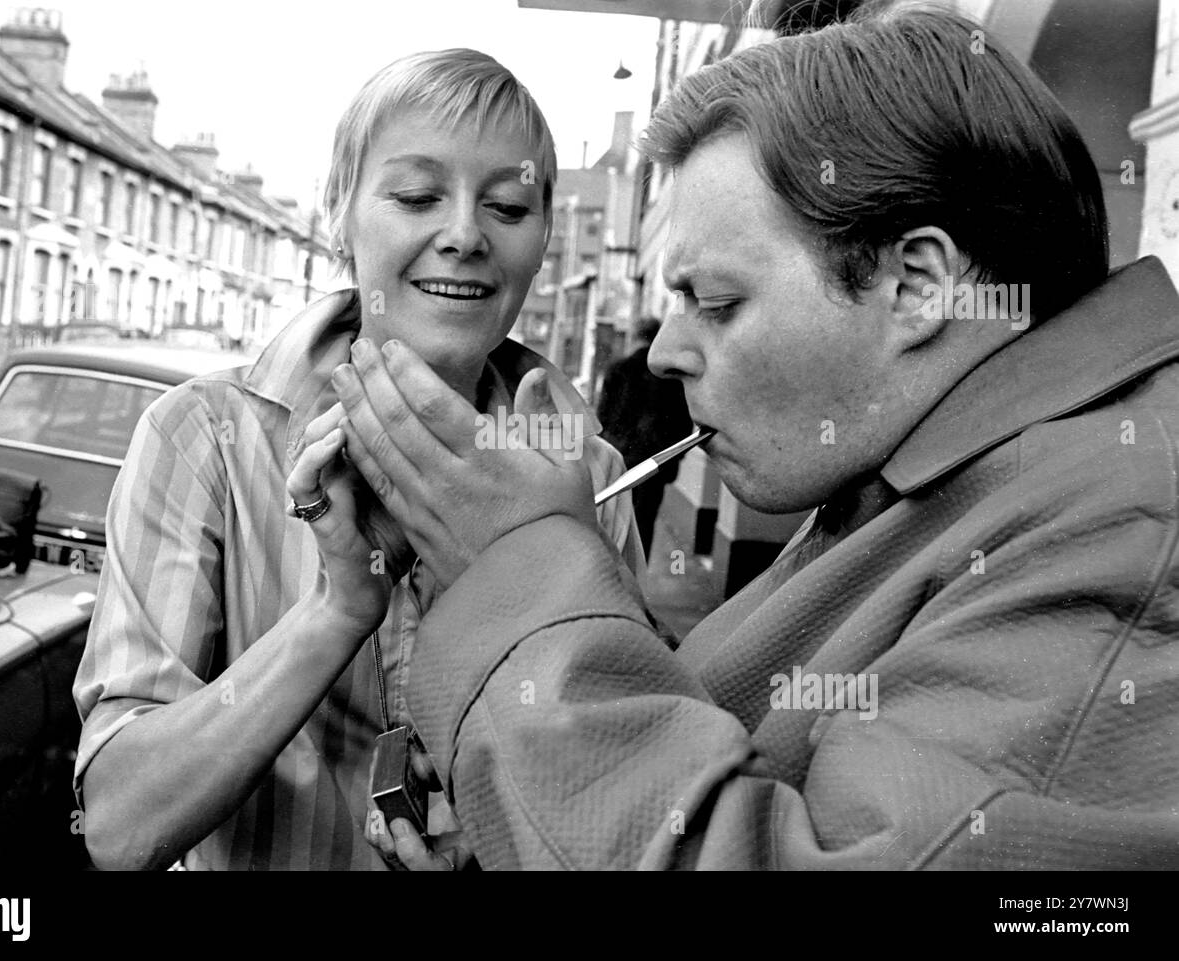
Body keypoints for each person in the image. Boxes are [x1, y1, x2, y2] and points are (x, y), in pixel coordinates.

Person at [344, 7, 1179, 869]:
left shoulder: (1131, 528)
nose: (664, 354)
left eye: (716, 302)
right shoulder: (923, 469)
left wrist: (517, 576)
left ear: (919, 284)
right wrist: (520, 820)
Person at [72, 48, 639, 871]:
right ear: (338, 211)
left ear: (545, 237)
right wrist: (338, 609)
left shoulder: (586, 476)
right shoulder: (199, 438)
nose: (464, 235)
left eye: (509, 207)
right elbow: (122, 825)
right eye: (416, 196)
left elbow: (627, 802)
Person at [597, 317, 693, 561]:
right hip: (654, 464)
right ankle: (637, 580)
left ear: (636, 336)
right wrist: (672, 458)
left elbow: (602, 420)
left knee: (613, 523)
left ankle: (611, 582)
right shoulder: (670, 378)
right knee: (644, 524)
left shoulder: (618, 369)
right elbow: (683, 424)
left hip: (620, 460)